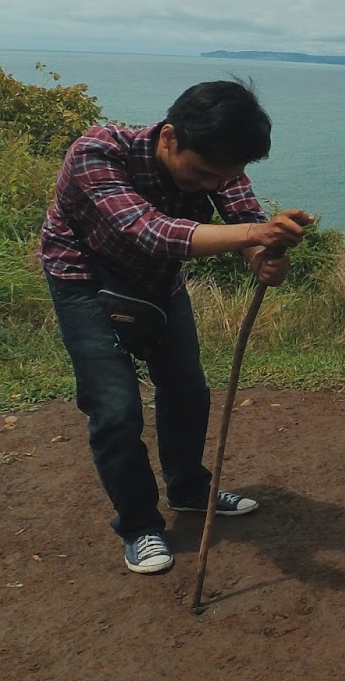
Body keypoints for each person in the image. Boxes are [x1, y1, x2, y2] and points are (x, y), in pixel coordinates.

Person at [40, 79, 311, 575]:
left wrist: (262, 256)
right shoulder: (96, 151)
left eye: (223, 176)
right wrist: (254, 234)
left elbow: (245, 216)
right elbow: (148, 230)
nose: (212, 185)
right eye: (203, 173)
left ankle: (188, 490)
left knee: (188, 389)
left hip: (159, 285)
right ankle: (140, 525)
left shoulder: (220, 166)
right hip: (84, 280)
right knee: (116, 409)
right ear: (169, 137)